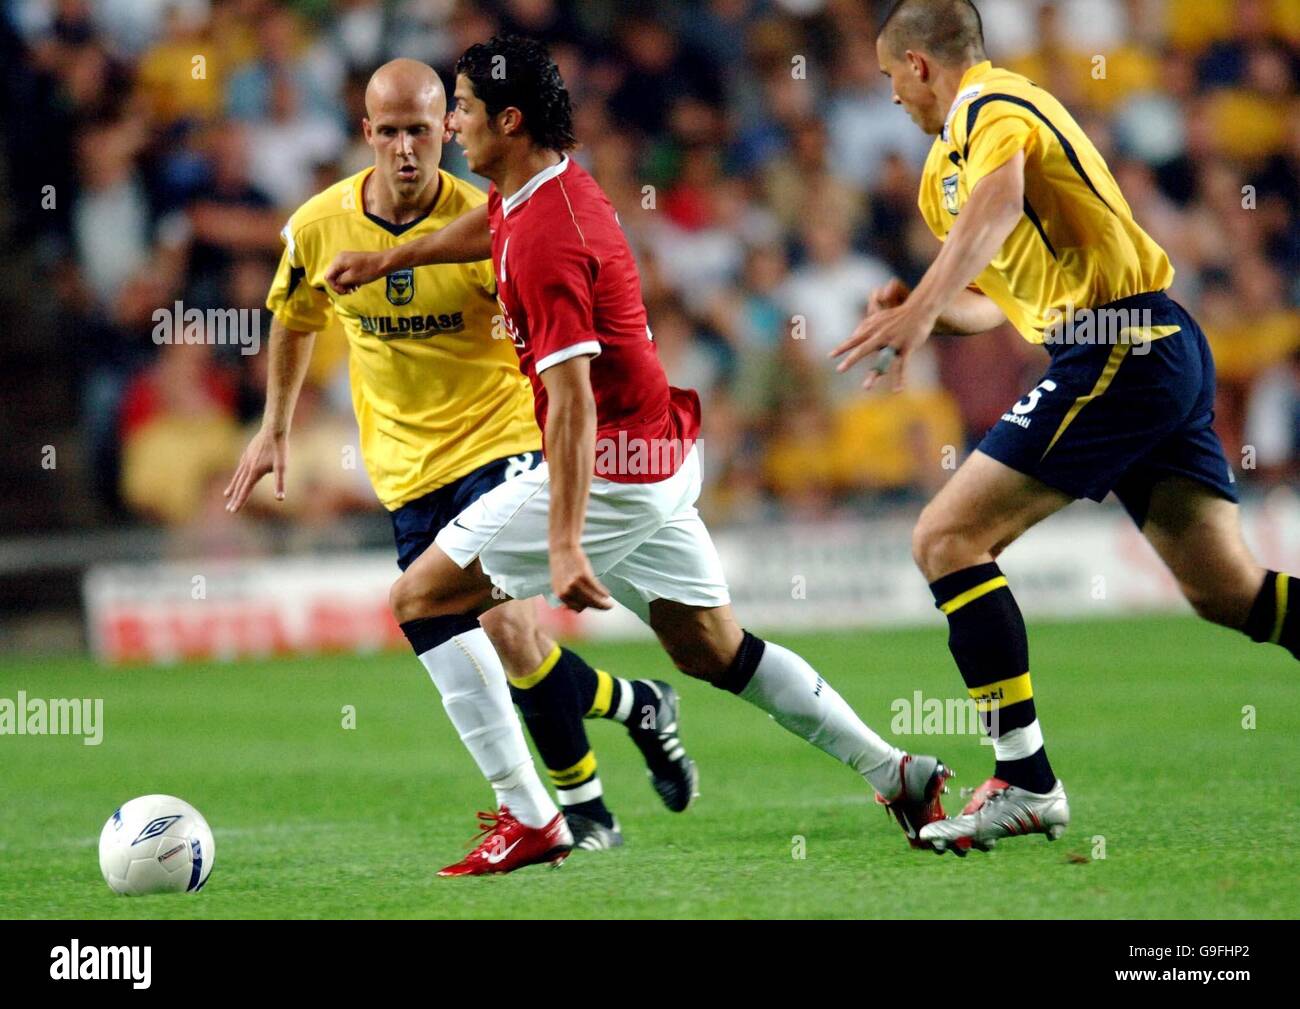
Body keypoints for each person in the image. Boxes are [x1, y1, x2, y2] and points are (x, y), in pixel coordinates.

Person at [327, 35, 951, 877]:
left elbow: (575, 400)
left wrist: (562, 540)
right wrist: (391, 257)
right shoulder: (539, 185)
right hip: (662, 450)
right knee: (712, 650)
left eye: (465, 111)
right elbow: (489, 223)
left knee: (420, 599)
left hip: (613, 466)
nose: (454, 128)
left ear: (508, 121)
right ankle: (900, 774)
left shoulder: (549, 235)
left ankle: (532, 816)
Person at [833, 0, 1298, 855]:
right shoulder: (945, 177)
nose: (890, 95)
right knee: (1227, 590)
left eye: (889, 74)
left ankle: (1026, 777)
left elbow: (1003, 202)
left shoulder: (994, 103)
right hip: (1143, 348)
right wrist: (926, 311)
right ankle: (1026, 778)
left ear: (919, 65)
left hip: (1120, 345)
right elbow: (1000, 297)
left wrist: (925, 301)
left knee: (946, 538)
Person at [225, 58, 696, 869]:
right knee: (505, 639)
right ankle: (635, 709)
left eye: (422, 129)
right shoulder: (317, 225)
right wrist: (274, 424)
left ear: (448, 128)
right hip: (405, 469)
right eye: (390, 131)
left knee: (506, 625)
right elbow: (295, 315)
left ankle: (573, 813)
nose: (407, 148)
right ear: (366, 133)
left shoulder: (492, 218)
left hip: (500, 440)